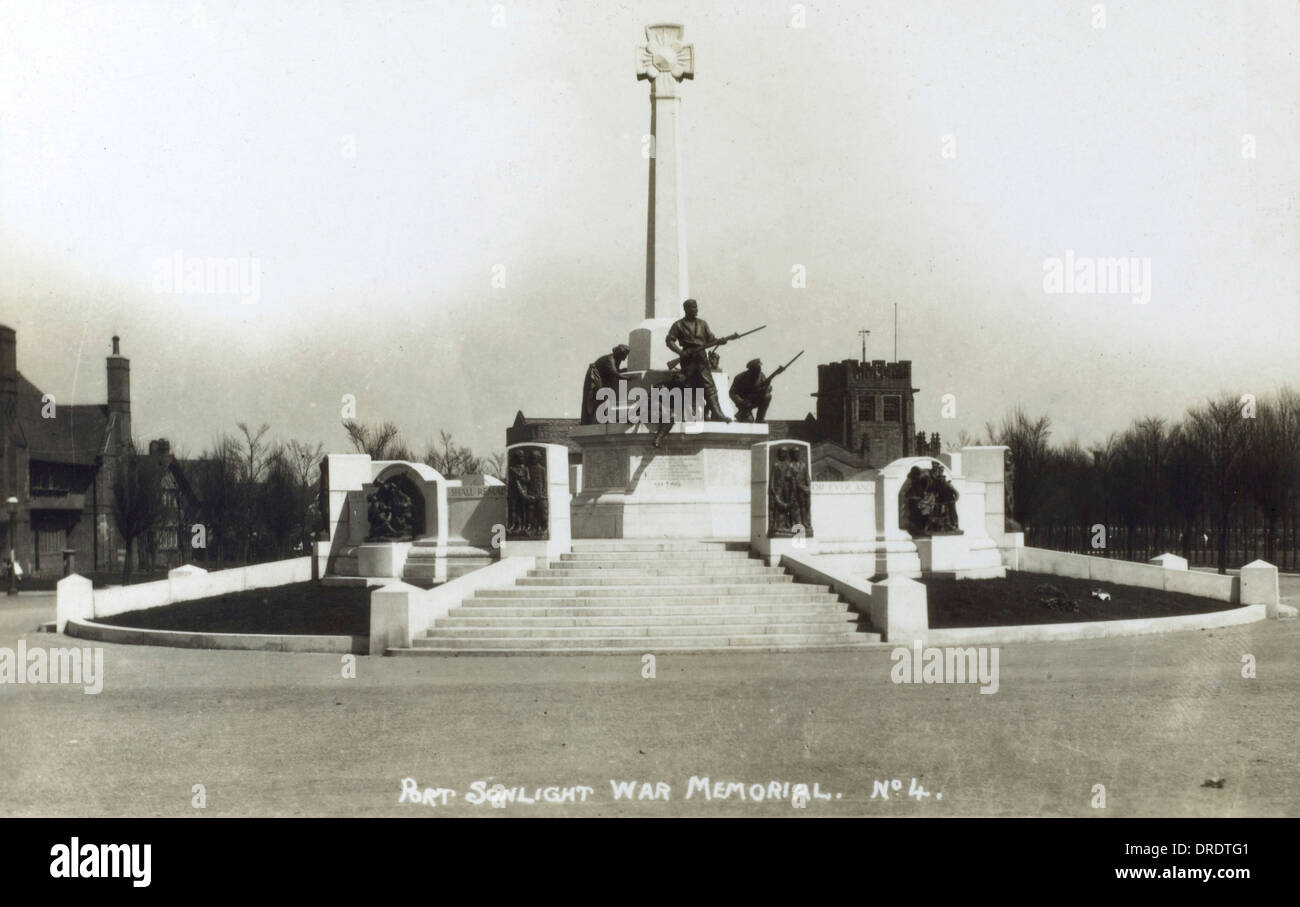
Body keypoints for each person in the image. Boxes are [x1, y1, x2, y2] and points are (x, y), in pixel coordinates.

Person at [665, 299, 731, 423]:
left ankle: (717, 413)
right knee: (688, 384)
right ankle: (688, 413)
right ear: (686, 309)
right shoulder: (678, 325)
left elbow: (711, 339)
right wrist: (681, 352)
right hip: (688, 358)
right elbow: (669, 341)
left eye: (696, 307)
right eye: (693, 308)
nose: (696, 310)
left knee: (709, 384)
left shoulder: (703, 324)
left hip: (701, 357)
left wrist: (721, 341)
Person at [580, 344, 630, 425]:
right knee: (596, 396)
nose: (625, 358)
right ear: (619, 353)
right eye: (624, 355)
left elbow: (616, 371)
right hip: (594, 376)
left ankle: (600, 418)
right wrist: (628, 378)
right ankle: (593, 420)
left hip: (602, 378)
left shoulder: (617, 360)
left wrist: (622, 371)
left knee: (604, 397)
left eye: (626, 355)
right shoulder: (610, 359)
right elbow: (614, 373)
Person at [729, 358, 772, 423]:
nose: (759, 371)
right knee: (749, 421)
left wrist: (765, 388)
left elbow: (769, 388)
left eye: (759, 368)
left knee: (767, 396)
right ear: (751, 369)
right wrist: (741, 402)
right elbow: (732, 393)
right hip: (744, 403)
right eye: (756, 369)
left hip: (755, 400)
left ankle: (760, 418)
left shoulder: (761, 376)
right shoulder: (740, 378)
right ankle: (744, 415)